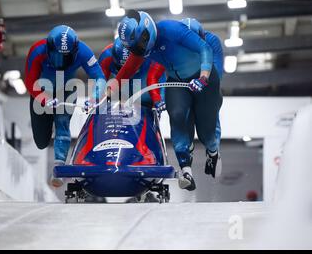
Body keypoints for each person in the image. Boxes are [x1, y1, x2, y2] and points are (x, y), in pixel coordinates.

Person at [112, 10, 223, 191]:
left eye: (141, 43)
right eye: (136, 46)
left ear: (147, 29)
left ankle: (213, 150)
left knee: (206, 127)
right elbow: (125, 72)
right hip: (176, 81)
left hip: (204, 79)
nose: (140, 48)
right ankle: (185, 169)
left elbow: (205, 49)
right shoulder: (141, 47)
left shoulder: (172, 30)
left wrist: (203, 77)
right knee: (177, 115)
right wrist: (102, 97)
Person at [24, 25, 106, 188]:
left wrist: (94, 97)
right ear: (49, 49)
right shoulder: (36, 51)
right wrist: (43, 98)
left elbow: (100, 78)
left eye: (65, 57)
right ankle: (49, 128)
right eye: (56, 56)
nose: (59, 62)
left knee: (62, 122)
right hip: (41, 89)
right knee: (41, 142)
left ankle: (59, 166)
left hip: (67, 87)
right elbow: (30, 81)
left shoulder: (84, 52)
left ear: (74, 51)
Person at [180, 18, 224, 157]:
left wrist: (203, 81)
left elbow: (217, 73)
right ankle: (186, 143)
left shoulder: (212, 41)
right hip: (185, 83)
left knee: (211, 106)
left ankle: (213, 148)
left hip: (205, 82)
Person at [98, 37, 166, 110]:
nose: (125, 72)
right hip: (121, 88)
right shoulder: (106, 56)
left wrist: (158, 100)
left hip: (144, 86)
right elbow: (100, 81)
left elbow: (155, 78)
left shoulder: (153, 56)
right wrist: (97, 99)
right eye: (120, 68)